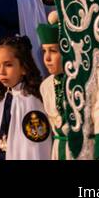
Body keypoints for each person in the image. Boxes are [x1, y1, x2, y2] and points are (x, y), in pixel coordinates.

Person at [0, 35, 51, 161]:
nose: (2, 72)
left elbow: (35, 150)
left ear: (23, 67)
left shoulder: (31, 103)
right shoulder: (3, 99)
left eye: (8, 65)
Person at [37, 13, 70, 160]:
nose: (47, 58)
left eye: (53, 51)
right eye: (44, 51)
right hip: (58, 150)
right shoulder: (46, 86)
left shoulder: (79, 82)